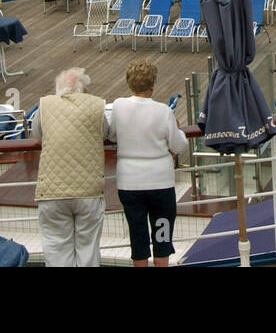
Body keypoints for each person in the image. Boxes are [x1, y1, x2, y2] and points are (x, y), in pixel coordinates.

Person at [109, 59, 189, 267]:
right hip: (159, 183)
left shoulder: (118, 106)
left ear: (129, 83)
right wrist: (178, 131)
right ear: (152, 85)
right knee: (162, 236)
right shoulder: (163, 111)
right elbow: (179, 145)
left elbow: (112, 133)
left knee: (138, 236)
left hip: (129, 183)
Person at [33, 66, 108, 268]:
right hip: (88, 191)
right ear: (82, 88)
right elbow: (106, 131)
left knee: (56, 249)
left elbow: (38, 132)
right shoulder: (96, 105)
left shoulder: (45, 105)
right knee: (88, 249)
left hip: (52, 191)